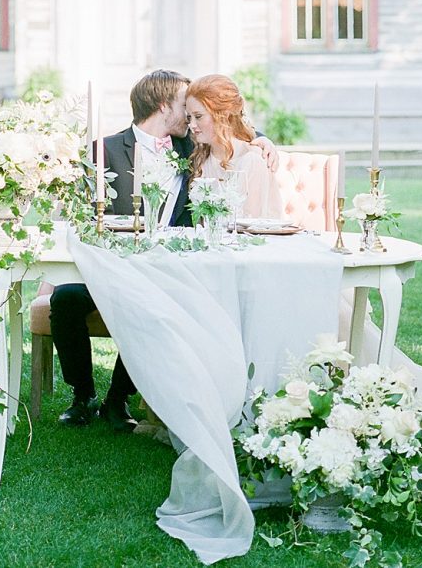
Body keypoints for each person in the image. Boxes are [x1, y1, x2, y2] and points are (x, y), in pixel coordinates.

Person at [51, 69, 279, 429]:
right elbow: (76, 216)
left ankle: (118, 399)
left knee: (155, 303)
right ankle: (83, 395)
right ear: (163, 106)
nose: (190, 116)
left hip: (168, 271)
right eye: (183, 108)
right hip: (110, 267)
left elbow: (228, 128)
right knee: (64, 299)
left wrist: (264, 140)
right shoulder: (103, 151)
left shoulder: (192, 144)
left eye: (194, 113)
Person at [185, 74, 284, 219]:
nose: (192, 125)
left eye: (198, 116)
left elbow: (251, 228)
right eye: (189, 117)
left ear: (223, 115)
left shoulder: (252, 160)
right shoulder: (202, 159)